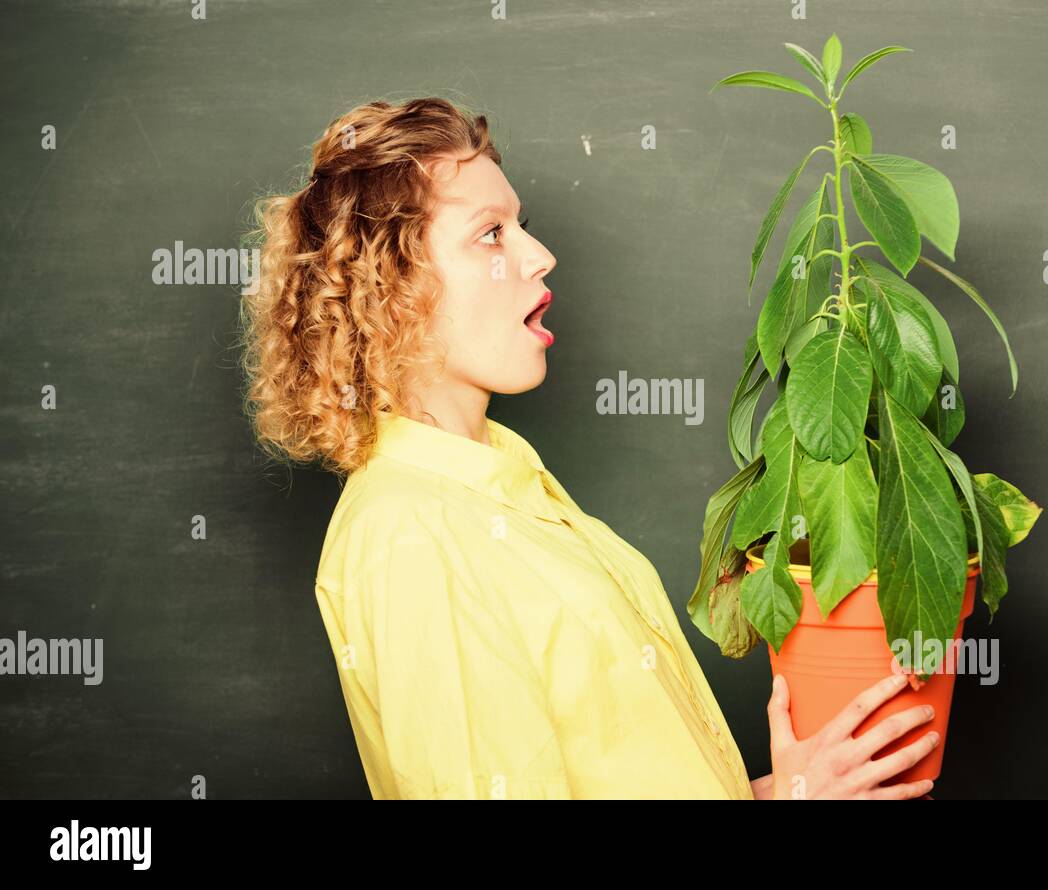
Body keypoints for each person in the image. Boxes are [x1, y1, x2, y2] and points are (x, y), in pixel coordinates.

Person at [237, 97, 938, 799]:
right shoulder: (411, 537)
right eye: (491, 234)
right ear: (390, 286)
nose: (540, 256)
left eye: (522, 227)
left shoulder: (500, 480)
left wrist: (780, 793)